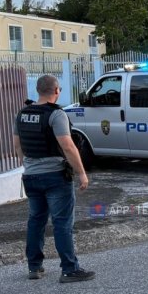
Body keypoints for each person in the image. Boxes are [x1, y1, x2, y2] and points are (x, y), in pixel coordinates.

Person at [13, 74, 94, 282]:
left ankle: (34, 267)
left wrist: (29, 165)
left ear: (38, 90)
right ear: (57, 91)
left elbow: (17, 146)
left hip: (31, 176)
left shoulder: (22, 113)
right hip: (55, 176)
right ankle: (69, 269)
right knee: (62, 223)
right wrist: (81, 173)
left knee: (36, 221)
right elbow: (68, 146)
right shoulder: (56, 114)